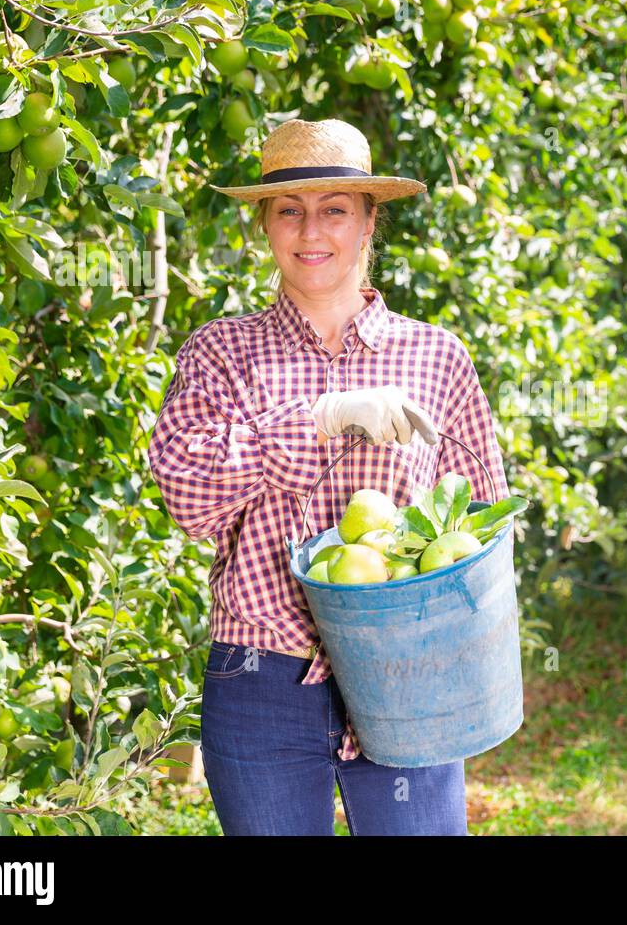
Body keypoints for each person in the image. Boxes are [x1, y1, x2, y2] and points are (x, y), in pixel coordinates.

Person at [148, 118, 508, 835]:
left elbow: (482, 529)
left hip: (410, 671)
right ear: (265, 225)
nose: (312, 230)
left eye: (334, 208)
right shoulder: (222, 354)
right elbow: (184, 494)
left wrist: (476, 675)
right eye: (289, 210)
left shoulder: (436, 358)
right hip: (263, 677)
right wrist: (320, 417)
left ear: (370, 220)